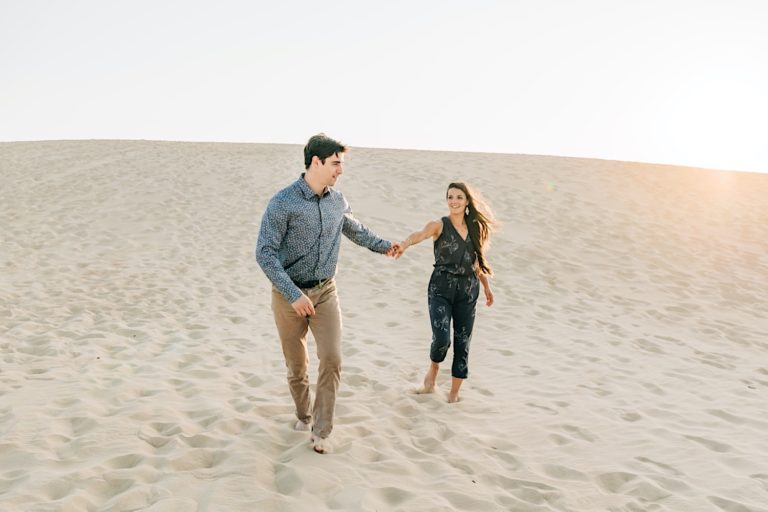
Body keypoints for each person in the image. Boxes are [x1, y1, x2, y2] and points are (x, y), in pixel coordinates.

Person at [256, 133, 398, 453]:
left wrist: (385, 246)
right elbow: (264, 253)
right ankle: (304, 415)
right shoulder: (283, 202)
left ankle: (321, 430)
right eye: (335, 163)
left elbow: (356, 230)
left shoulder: (337, 201)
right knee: (297, 367)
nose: (340, 170)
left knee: (332, 358)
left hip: (325, 291)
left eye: (341, 164)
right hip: (288, 295)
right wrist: (293, 294)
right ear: (316, 162)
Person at [394, 182, 495, 403]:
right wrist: (403, 244)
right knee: (441, 339)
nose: (454, 201)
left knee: (462, 343)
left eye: (459, 197)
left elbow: (476, 261)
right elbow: (419, 235)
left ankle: (453, 396)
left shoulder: (475, 229)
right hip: (441, 288)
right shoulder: (439, 225)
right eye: (450, 197)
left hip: (467, 292)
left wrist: (486, 287)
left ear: (467, 201)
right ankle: (433, 370)